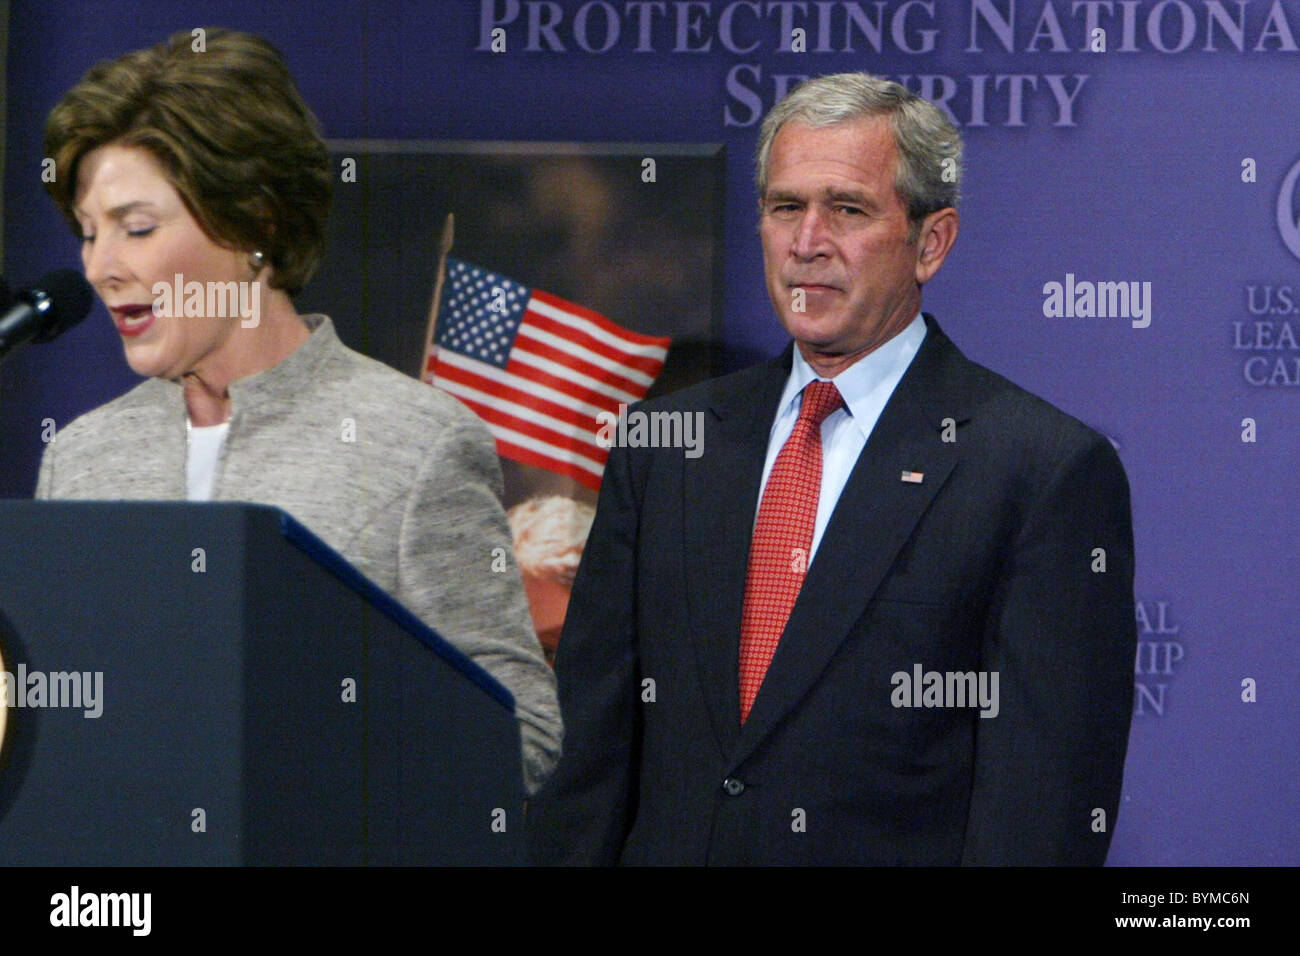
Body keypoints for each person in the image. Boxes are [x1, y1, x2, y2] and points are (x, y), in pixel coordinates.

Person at [526, 72, 1136, 864]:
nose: (807, 241)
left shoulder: (1040, 471)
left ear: (930, 242)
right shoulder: (664, 443)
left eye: (847, 209)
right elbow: (588, 759)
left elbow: (1041, 810)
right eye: (786, 207)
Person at [35, 29, 560, 796]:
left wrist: (314, 741)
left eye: (137, 228)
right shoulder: (81, 456)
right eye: (88, 233)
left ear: (256, 221)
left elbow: (525, 740)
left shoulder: (417, 445)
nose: (100, 266)